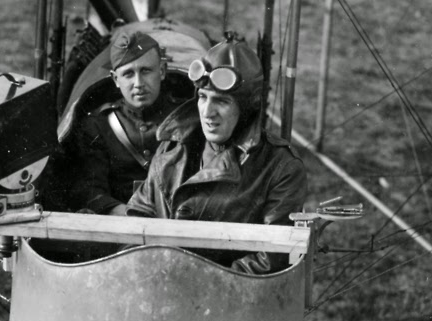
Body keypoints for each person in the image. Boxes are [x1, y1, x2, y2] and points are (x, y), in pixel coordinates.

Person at [126, 37, 308, 274]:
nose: (208, 112)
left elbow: (271, 258)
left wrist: (194, 281)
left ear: (247, 107)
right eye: (202, 97)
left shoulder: (280, 167)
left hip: (225, 300)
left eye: (222, 101)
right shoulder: (171, 147)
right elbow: (136, 219)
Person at [67, 30, 184, 215]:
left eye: (146, 71)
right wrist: (127, 214)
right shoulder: (99, 125)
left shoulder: (185, 118)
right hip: (120, 225)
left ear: (162, 71)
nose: (138, 83)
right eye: (128, 74)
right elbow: (90, 190)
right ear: (115, 79)